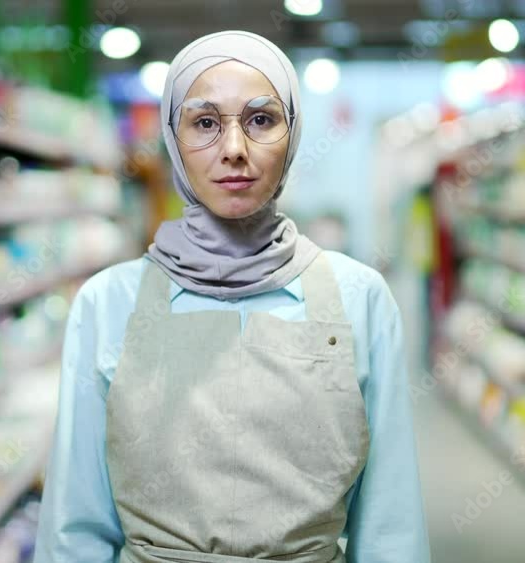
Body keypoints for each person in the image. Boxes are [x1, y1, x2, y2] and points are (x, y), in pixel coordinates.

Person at [33, 30, 430, 563]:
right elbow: (74, 529)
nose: (234, 149)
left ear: (293, 134)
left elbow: (391, 526)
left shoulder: (358, 298)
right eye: (204, 123)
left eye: (262, 119)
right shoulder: (109, 304)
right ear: (172, 139)